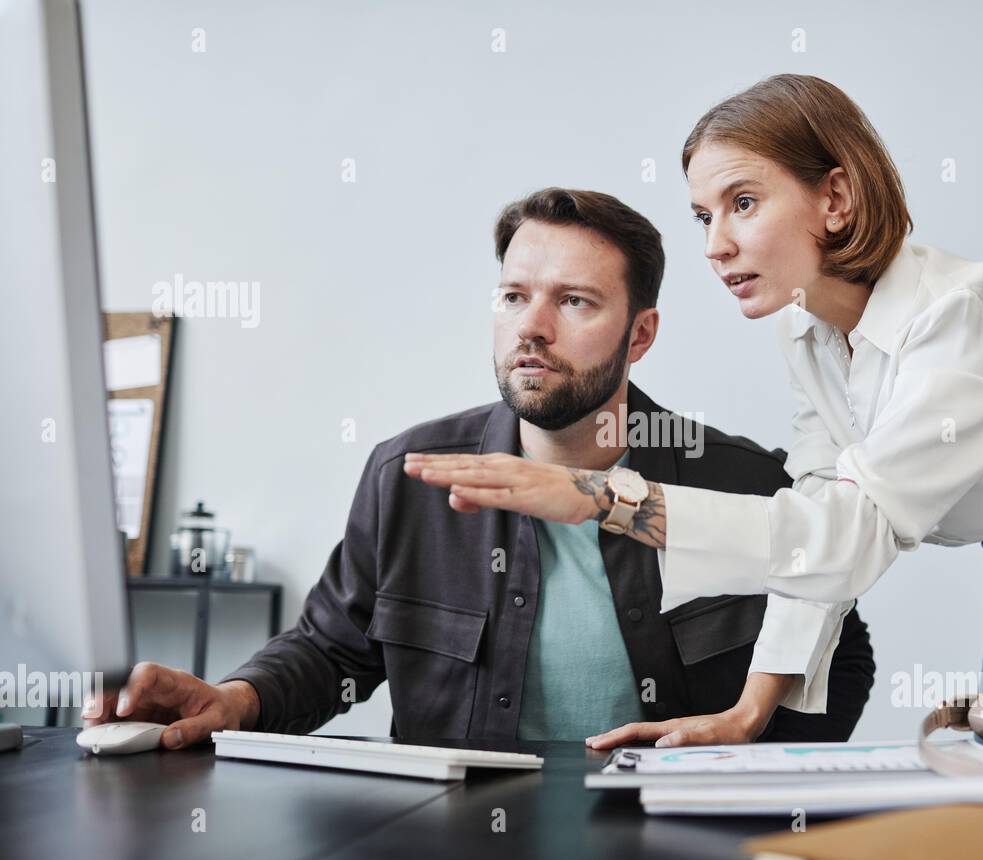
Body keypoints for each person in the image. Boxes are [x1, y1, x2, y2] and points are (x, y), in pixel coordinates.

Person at [407, 75, 983, 749]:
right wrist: (749, 713)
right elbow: (818, 527)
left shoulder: (962, 316)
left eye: (743, 203)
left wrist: (606, 500)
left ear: (836, 198)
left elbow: (854, 534)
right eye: (704, 215)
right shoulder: (808, 334)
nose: (714, 244)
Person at [81, 186, 875, 749]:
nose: (531, 328)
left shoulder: (735, 479)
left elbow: (839, 660)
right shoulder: (409, 476)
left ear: (641, 335)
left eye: (575, 302)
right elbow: (332, 653)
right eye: (512, 296)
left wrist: (743, 776)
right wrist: (231, 700)